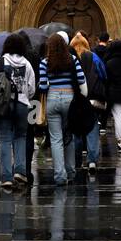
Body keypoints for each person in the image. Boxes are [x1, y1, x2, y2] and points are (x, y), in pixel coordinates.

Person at [0, 34, 35, 188]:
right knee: (21, 137)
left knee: (5, 139)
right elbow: (32, 87)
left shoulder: (0, 61)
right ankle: (20, 171)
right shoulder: (26, 63)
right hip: (22, 104)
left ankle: (6, 177)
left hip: (4, 105)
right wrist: (24, 96)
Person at [37, 33, 87, 187]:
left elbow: (43, 87)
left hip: (53, 100)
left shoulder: (45, 62)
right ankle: (71, 171)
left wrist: (43, 83)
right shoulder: (72, 60)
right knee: (69, 136)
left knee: (56, 139)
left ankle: (59, 176)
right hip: (70, 99)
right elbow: (81, 80)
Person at [70, 33, 107, 172]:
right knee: (92, 128)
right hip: (92, 98)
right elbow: (103, 73)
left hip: (75, 99)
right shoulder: (94, 57)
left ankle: (77, 160)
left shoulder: (70, 58)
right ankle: (92, 160)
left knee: (76, 130)